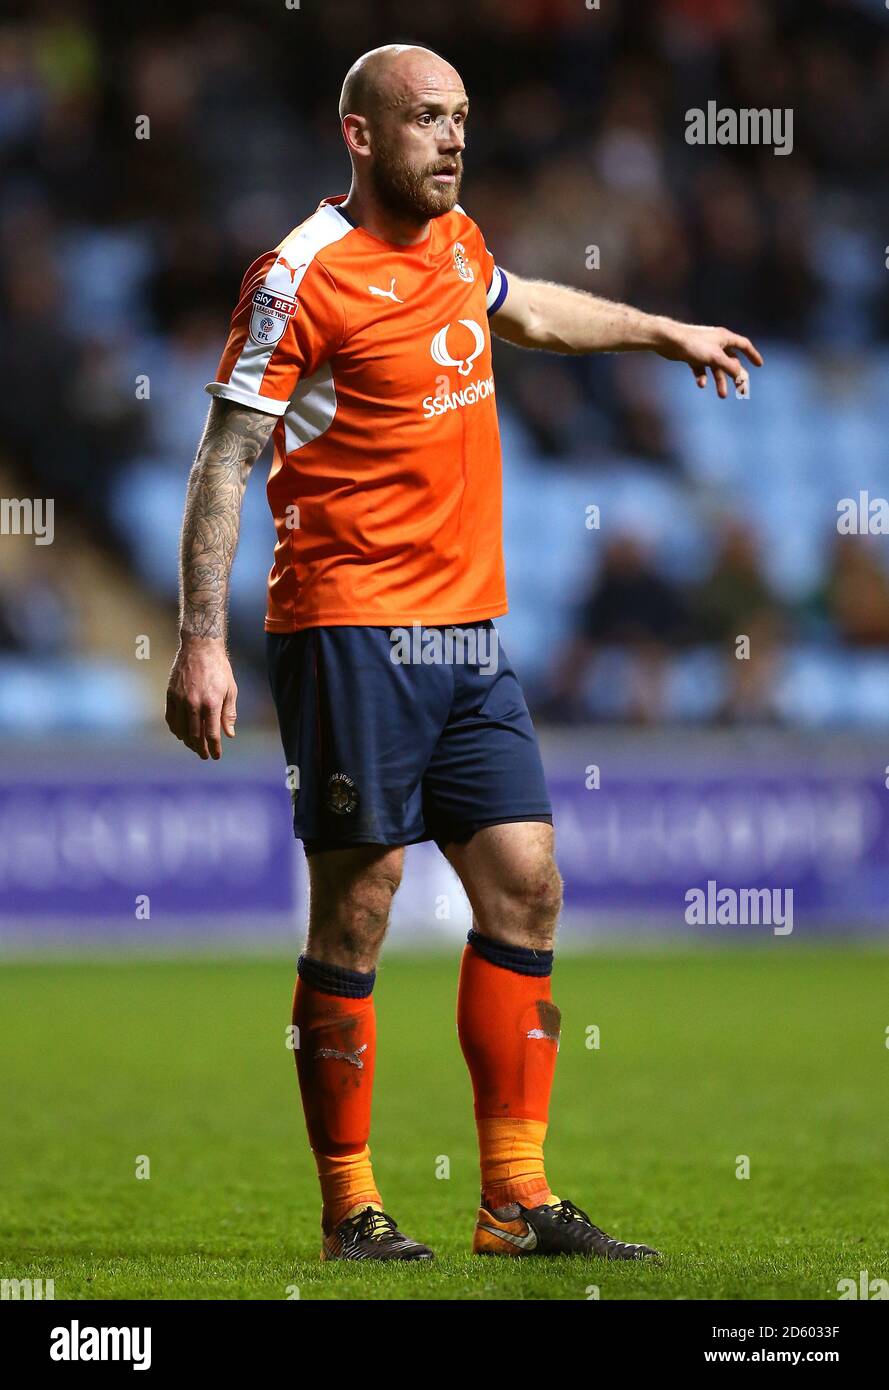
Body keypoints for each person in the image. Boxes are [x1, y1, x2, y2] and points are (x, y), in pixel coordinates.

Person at [165, 43, 761, 1262]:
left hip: (468, 635)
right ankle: (350, 1207)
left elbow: (527, 306)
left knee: (528, 881)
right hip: (346, 627)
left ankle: (514, 1200)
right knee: (361, 907)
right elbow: (223, 459)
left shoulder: (456, 241)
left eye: (462, 120)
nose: (452, 140)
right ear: (360, 134)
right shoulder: (298, 275)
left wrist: (658, 328)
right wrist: (198, 641)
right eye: (428, 120)